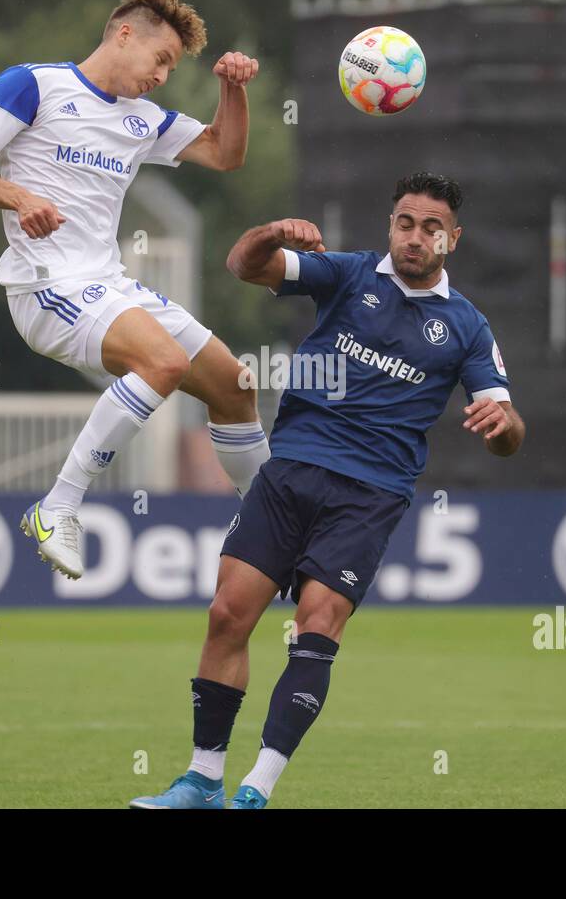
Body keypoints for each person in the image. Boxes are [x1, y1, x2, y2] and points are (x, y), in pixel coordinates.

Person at [130, 172, 525, 809]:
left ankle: (256, 789)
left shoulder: (468, 328)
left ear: (453, 238)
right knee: (228, 614)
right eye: (405, 222)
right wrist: (272, 233)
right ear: (391, 224)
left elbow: (507, 430)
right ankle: (202, 778)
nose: (414, 237)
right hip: (290, 472)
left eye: (431, 228)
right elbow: (242, 265)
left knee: (315, 625)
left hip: (370, 494)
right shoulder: (347, 274)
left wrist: (502, 425)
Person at [0, 0, 267, 580]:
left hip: (108, 286)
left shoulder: (142, 120)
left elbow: (225, 154)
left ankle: (272, 527)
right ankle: (58, 506)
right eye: (161, 58)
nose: (163, 75)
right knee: (162, 363)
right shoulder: (31, 86)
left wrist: (233, 88)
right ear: (124, 35)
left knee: (236, 386)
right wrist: (19, 197)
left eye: (172, 67)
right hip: (45, 288)